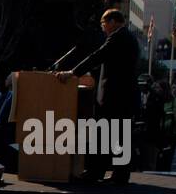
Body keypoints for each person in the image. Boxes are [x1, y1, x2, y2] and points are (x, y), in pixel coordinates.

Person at [60, 9, 140, 183]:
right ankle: (120, 175)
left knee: (105, 134)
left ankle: (96, 172)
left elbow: (98, 56)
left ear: (112, 21)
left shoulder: (118, 37)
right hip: (124, 96)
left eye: (104, 24)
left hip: (115, 96)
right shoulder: (129, 38)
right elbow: (111, 62)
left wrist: (73, 73)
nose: (103, 28)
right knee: (121, 136)